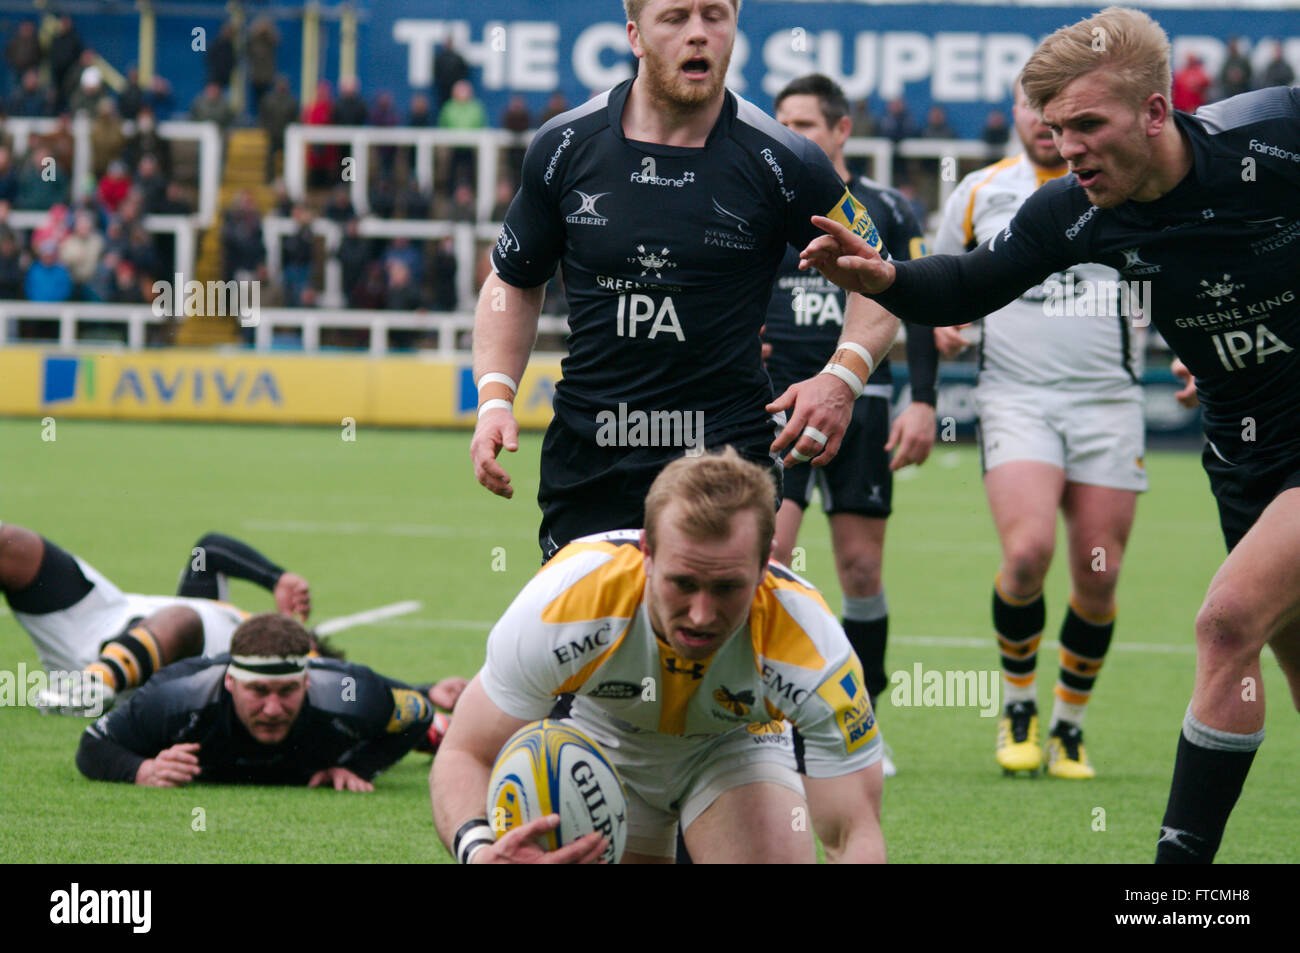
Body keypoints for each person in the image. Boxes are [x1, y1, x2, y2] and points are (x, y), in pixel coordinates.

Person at [797, 6, 1300, 863]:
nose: (1069, 148)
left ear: (1155, 112)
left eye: (1088, 124)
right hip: (1242, 445)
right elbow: (970, 282)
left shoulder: (1278, 136)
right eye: (1057, 128)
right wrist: (885, 276)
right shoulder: (1075, 209)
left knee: (1225, 624)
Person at [472, 0, 899, 562]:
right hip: (593, 451)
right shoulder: (563, 147)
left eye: (715, 16)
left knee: (707, 632)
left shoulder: (785, 160)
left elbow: (882, 281)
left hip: (726, 455)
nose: (699, 34)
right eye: (675, 18)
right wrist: (495, 398)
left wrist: (841, 377)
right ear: (635, 34)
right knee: (591, 644)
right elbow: (513, 281)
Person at [431, 449, 884, 864]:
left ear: (766, 563)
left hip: (736, 745)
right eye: (682, 583)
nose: (702, 615)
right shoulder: (566, 600)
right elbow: (467, 753)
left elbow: (853, 833)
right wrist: (478, 850)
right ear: (647, 552)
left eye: (727, 587)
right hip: (603, 747)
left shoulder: (811, 643)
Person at [930, 79, 1147, 779]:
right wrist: (943, 324)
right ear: (1017, 116)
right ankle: (1019, 706)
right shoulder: (978, 192)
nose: (1046, 122)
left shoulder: (1128, 186)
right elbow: (939, 280)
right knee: (1026, 555)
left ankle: (1070, 724)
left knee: (1100, 572)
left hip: (1107, 402)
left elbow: (1166, 277)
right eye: (1033, 107)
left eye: (1064, 113)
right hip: (1016, 397)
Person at [766, 74, 938, 776]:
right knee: (766, 558)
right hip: (775, 401)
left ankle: (861, 723)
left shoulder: (889, 208)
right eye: (782, 122)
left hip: (859, 400)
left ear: (841, 131)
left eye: (805, 124)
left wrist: (923, 399)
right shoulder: (761, 197)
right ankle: (768, 725)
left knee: (861, 568)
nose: (792, 135)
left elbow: (919, 298)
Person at [77, 614, 465, 788]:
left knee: (434, 732)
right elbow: (93, 744)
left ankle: (443, 733)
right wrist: (141, 769)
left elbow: (418, 711)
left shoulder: (350, 693)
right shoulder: (178, 695)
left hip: (347, 729)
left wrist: (360, 767)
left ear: (307, 681)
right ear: (230, 682)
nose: (273, 709)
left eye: (287, 691)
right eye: (258, 692)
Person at [0, 523, 311, 713]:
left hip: (114, 674)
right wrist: (276, 578)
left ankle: (97, 679)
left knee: (182, 620)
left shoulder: (281, 661)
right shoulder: (220, 610)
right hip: (98, 615)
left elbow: (181, 624)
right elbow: (210, 549)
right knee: (10, 543)